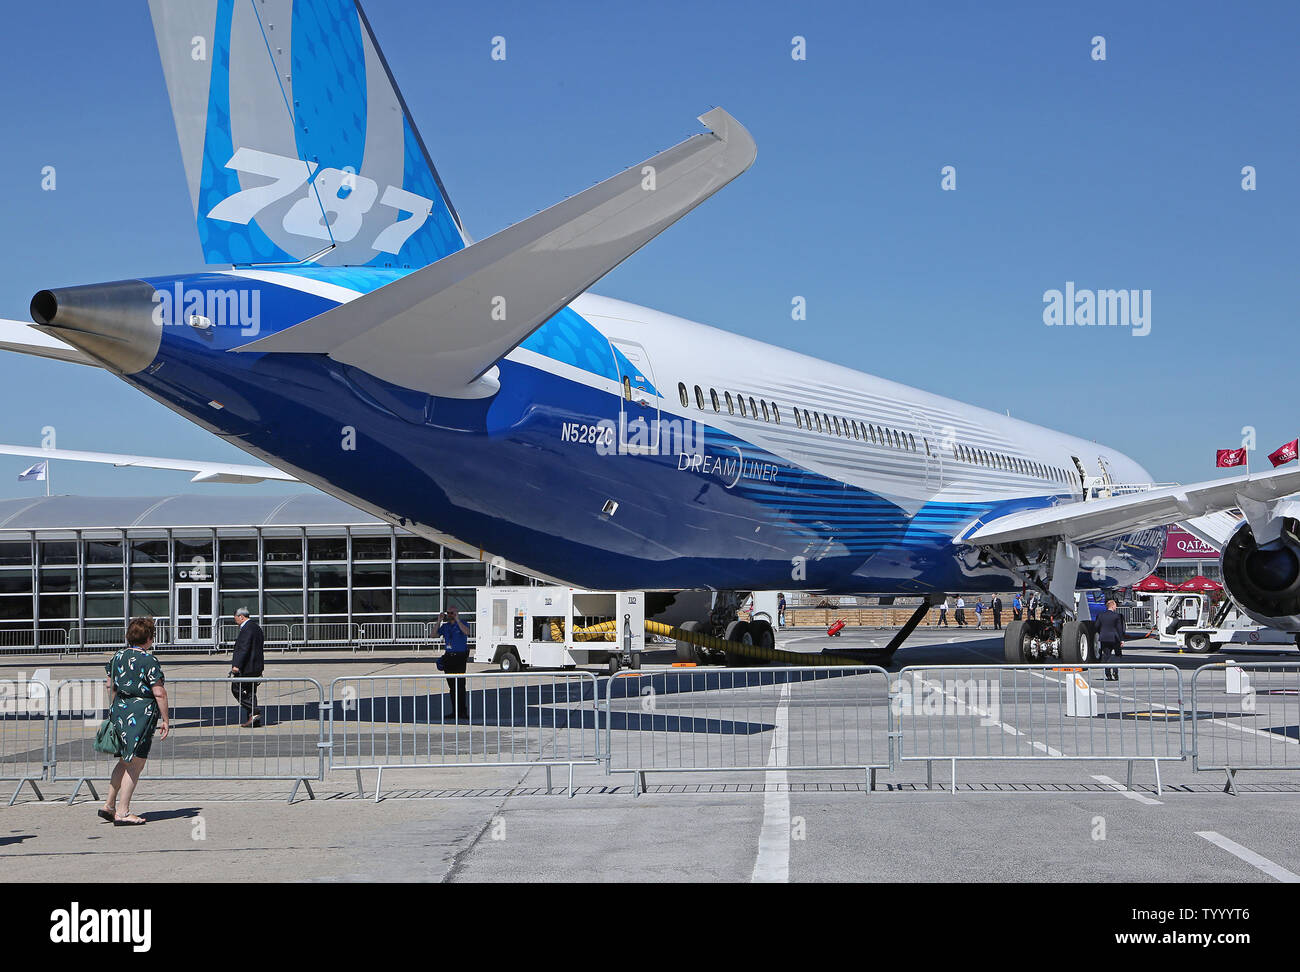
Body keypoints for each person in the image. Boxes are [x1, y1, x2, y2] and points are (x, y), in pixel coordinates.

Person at [99, 617, 169, 826]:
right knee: (135, 763)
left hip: (120, 709)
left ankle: (109, 805)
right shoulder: (149, 660)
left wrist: (113, 709)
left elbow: (110, 685)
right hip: (141, 713)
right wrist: (166, 719)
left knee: (123, 760)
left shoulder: (118, 656)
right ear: (148, 638)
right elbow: (159, 692)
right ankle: (123, 811)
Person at [229, 607, 265, 728]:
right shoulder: (256, 628)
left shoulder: (247, 629)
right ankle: (254, 719)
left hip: (247, 667)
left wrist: (236, 665)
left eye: (236, 619)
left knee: (236, 689)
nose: (236, 622)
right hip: (256, 667)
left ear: (241, 616)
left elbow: (244, 648)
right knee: (250, 692)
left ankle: (254, 710)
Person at [438, 606, 472, 719]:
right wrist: (439, 620)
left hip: (460, 657)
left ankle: (463, 711)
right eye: (448, 613)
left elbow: (467, 632)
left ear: (456, 613)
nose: (449, 615)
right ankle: (455, 711)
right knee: (452, 687)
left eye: (451, 613)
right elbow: (433, 635)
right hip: (449, 657)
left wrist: (457, 620)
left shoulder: (463, 623)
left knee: (460, 686)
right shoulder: (446, 626)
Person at [1095, 598, 1129, 681]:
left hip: (1104, 638)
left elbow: (1096, 626)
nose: (1116, 607)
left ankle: (1108, 673)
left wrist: (1101, 632)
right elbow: (1119, 628)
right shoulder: (1116, 616)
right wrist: (1122, 639)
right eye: (1115, 606)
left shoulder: (1100, 615)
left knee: (1106, 655)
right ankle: (1115, 671)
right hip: (1114, 638)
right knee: (1118, 655)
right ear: (1113, 606)